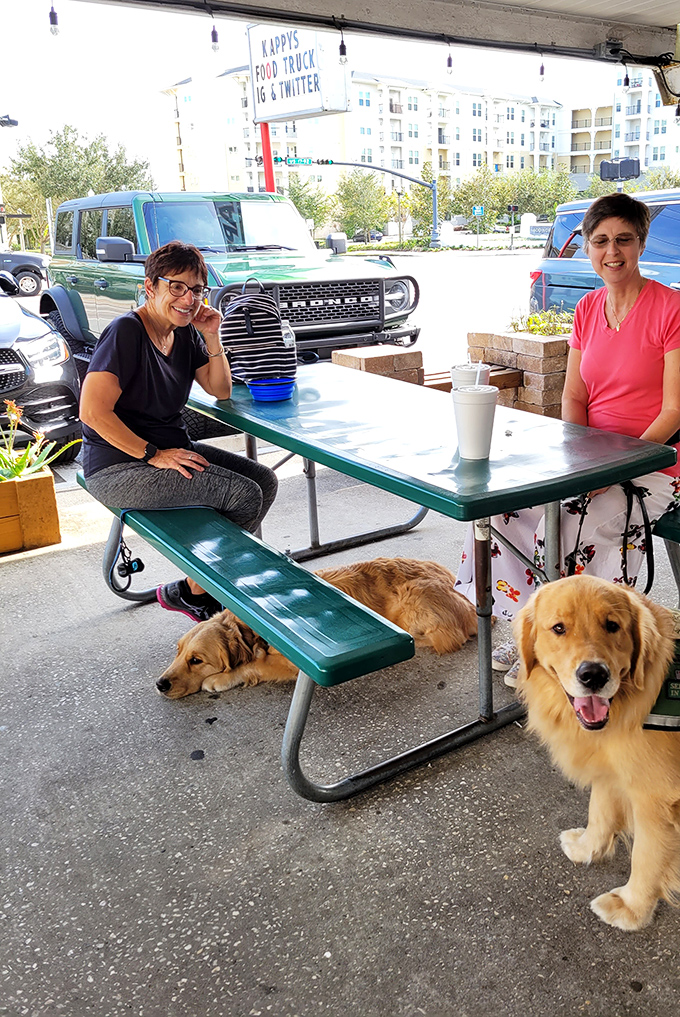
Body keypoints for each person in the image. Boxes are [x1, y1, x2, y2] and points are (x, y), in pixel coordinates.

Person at [455, 192, 680, 684]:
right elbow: (574, 396)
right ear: (588, 247)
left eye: (624, 239)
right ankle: (533, 633)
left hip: (655, 462)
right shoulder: (587, 308)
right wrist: (580, 459)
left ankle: (594, 650)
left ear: (641, 243)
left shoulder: (671, 309)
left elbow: (674, 411)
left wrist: (615, 468)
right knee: (504, 510)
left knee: (571, 524)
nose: (612, 251)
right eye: (601, 241)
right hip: (590, 458)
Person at [79, 240, 278, 623]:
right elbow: (92, 412)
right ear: (150, 287)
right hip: (119, 467)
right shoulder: (126, 332)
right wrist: (154, 454)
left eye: (197, 290)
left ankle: (196, 588)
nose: (189, 299)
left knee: (263, 480)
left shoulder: (184, 332)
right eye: (177, 287)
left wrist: (212, 334)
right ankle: (210, 591)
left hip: (171, 450)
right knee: (242, 494)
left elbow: (220, 389)